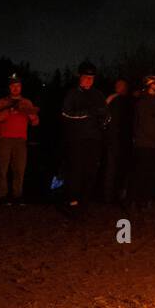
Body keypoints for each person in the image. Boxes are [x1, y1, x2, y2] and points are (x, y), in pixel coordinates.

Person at [61, 61, 109, 209]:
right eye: (86, 77)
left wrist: (104, 120)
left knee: (91, 170)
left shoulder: (98, 94)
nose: (89, 80)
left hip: (94, 138)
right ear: (80, 77)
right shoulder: (73, 94)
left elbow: (107, 114)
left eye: (92, 78)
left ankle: (85, 199)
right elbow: (65, 113)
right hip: (77, 138)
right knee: (76, 169)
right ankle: (72, 200)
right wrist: (87, 113)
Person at [0, 74, 40, 204]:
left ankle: (17, 195)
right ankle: (1, 195)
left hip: (20, 140)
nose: (15, 88)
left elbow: (36, 122)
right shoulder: (2, 102)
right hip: (4, 139)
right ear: (9, 88)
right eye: (13, 86)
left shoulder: (26, 102)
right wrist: (9, 111)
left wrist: (32, 116)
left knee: (19, 169)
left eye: (18, 86)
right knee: (2, 169)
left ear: (21, 87)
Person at [130, 75, 155, 208]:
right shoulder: (143, 102)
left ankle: (146, 199)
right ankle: (134, 199)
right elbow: (145, 125)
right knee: (141, 172)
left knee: (151, 173)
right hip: (145, 144)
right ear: (152, 85)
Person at [103, 78, 132, 204]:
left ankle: (120, 195)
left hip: (125, 141)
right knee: (110, 168)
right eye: (116, 85)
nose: (117, 86)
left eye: (120, 85)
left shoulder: (129, 102)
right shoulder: (113, 100)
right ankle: (107, 196)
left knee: (122, 168)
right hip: (113, 140)